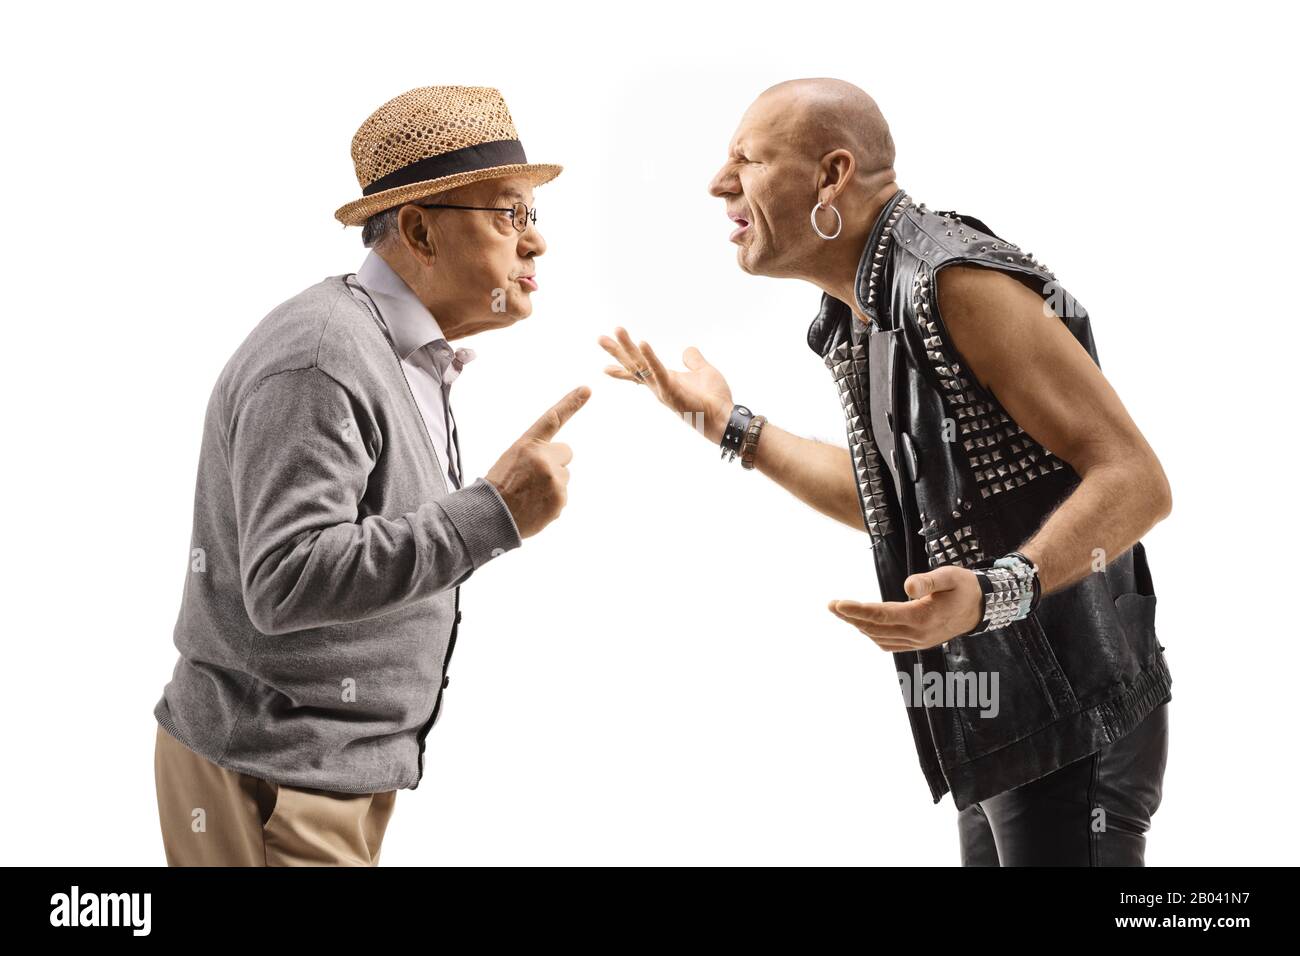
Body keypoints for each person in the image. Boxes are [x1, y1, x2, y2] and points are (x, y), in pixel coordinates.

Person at [599, 78, 1172, 866]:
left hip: (1075, 711)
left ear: (832, 176)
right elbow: (895, 505)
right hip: (1005, 713)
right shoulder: (861, 309)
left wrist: (996, 590)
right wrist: (724, 424)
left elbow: (1137, 479)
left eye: (748, 159)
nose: (718, 183)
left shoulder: (954, 283)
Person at [153, 86, 588, 865]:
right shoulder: (322, 356)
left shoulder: (405, 351)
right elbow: (287, 579)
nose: (537, 243)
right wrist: (494, 513)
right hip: (272, 779)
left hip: (321, 775)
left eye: (534, 216)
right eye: (508, 214)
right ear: (420, 229)